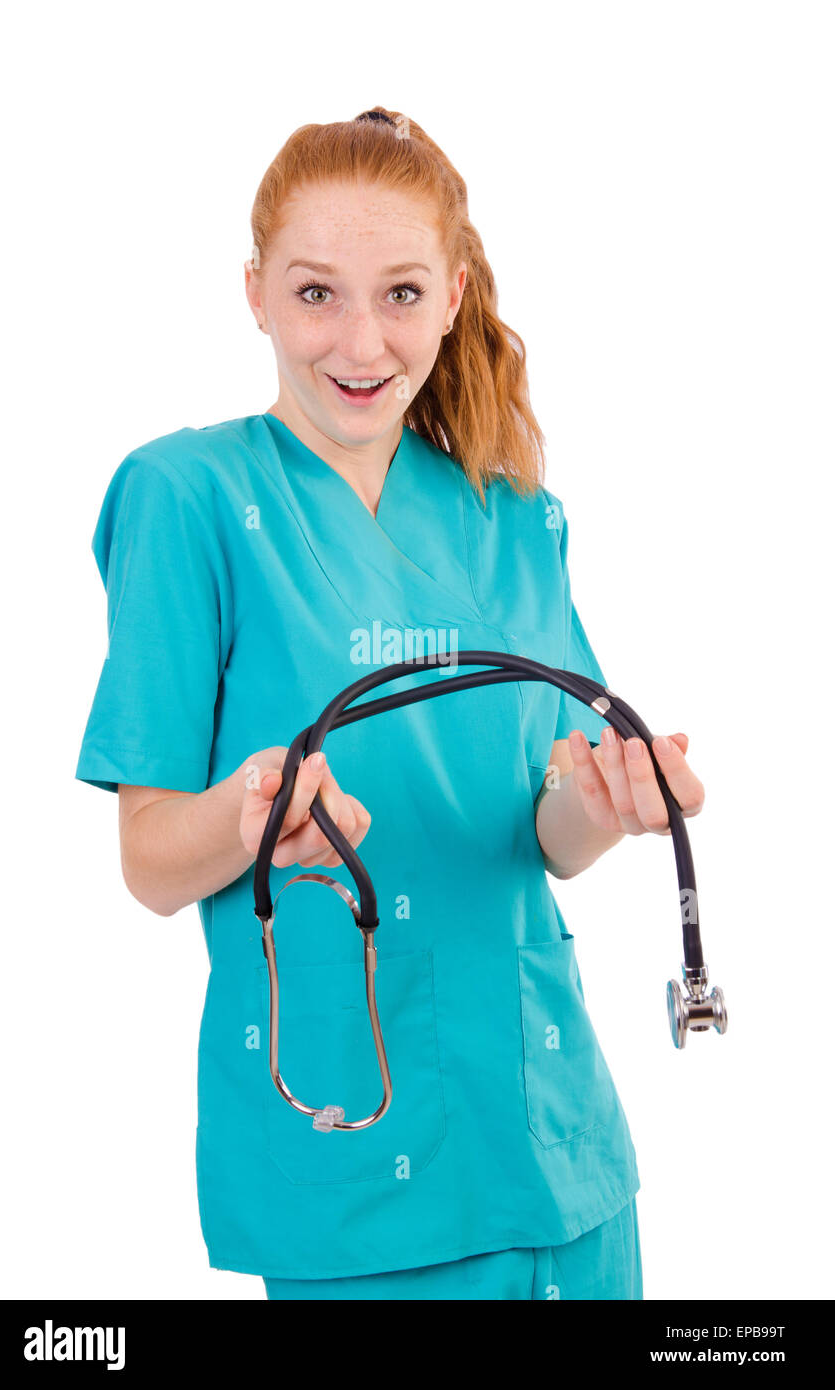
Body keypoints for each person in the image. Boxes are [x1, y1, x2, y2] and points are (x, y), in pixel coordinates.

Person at [75, 107, 705, 1301]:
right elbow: (152, 860)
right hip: (357, 1171)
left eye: (402, 294)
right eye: (317, 294)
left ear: (455, 294)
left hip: (557, 1150)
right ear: (254, 292)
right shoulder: (189, 499)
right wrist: (248, 816)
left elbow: (544, 834)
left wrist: (610, 801)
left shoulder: (514, 513)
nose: (361, 339)